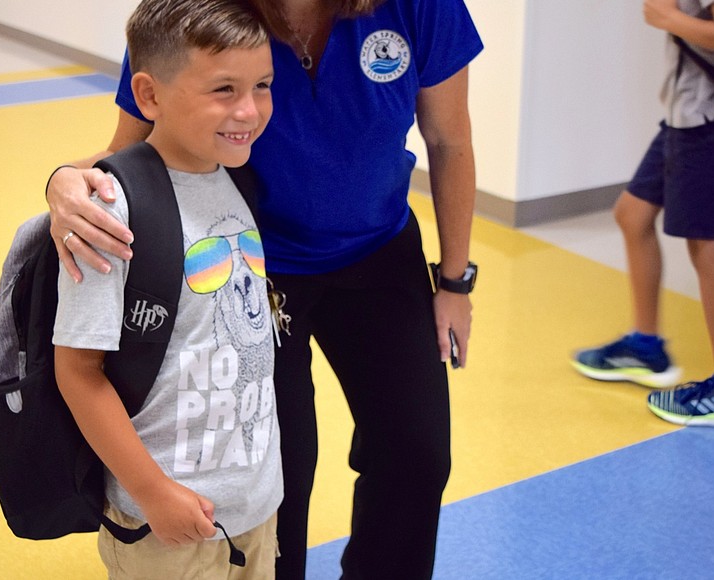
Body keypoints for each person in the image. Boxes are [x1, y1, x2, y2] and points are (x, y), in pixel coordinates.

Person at [48, 1, 483, 577]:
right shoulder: (197, 12)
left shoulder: (419, 7)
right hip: (253, 261)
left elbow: (450, 142)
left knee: (417, 454)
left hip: (379, 251)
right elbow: (131, 152)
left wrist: (454, 281)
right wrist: (61, 182)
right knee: (281, 470)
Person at [52, 1, 283, 578]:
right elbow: (78, 372)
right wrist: (152, 491)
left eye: (263, 85)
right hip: (163, 524)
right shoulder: (113, 206)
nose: (249, 110)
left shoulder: (238, 184)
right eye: (223, 89)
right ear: (149, 96)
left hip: (255, 509)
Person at [571, 0, 714, 427]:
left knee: (706, 246)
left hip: (705, 120)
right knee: (632, 214)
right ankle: (645, 346)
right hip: (683, 115)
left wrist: (668, 18)